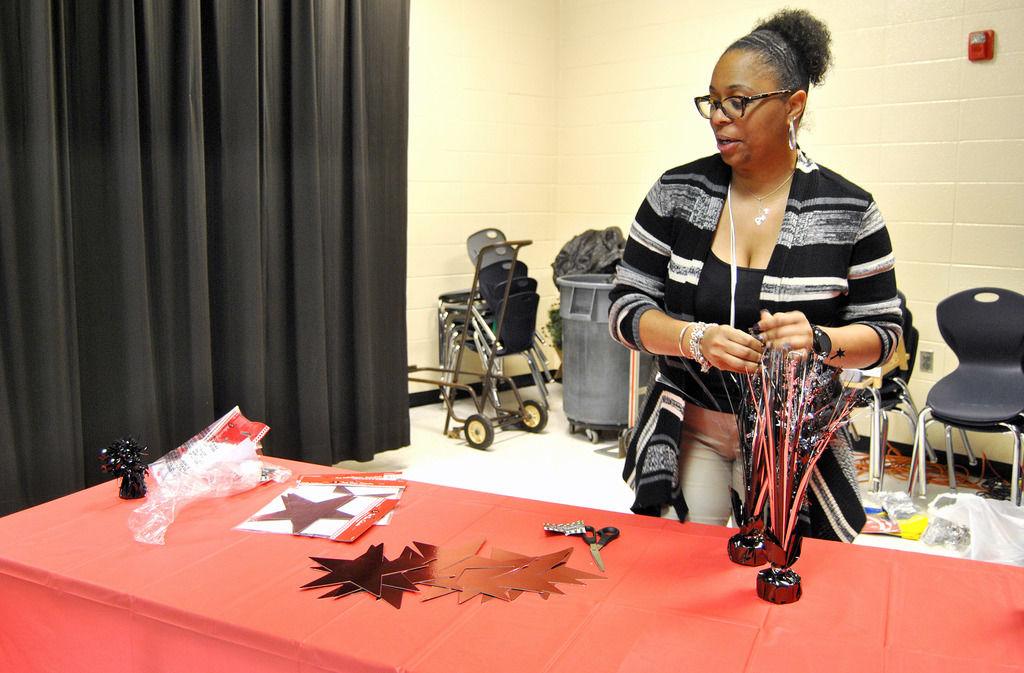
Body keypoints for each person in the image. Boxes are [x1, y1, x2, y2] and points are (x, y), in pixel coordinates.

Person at [608, 9, 902, 542]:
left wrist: (819, 340)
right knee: (678, 567)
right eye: (713, 102)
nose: (720, 117)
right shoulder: (677, 194)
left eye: (738, 101)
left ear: (794, 105)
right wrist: (691, 338)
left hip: (791, 444)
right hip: (692, 431)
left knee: (777, 573)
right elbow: (625, 308)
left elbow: (885, 336)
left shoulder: (849, 210)